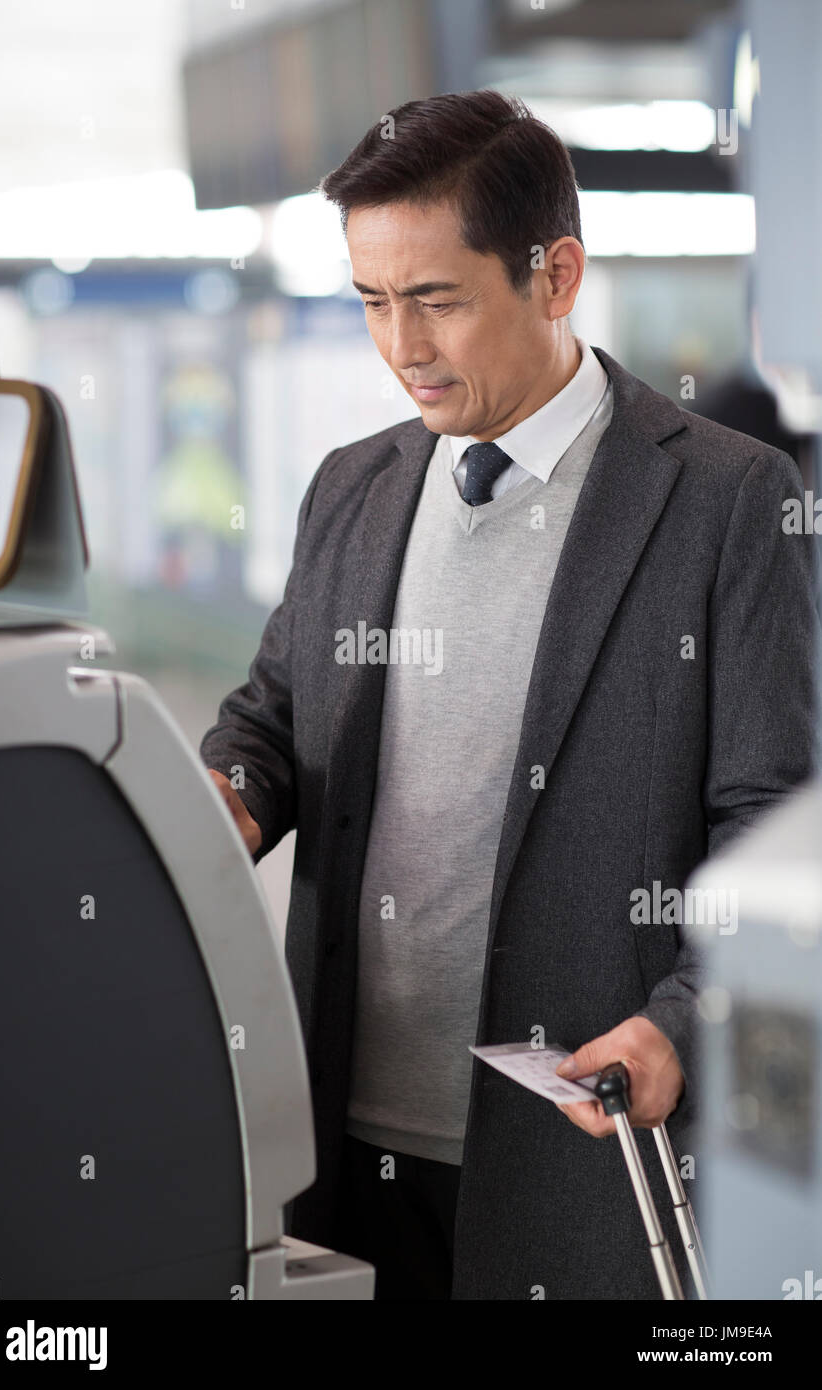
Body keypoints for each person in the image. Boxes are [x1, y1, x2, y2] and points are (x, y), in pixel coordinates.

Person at [200, 90, 816, 1300]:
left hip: (577, 1153)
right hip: (340, 1139)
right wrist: (220, 801)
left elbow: (775, 820)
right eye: (372, 300)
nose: (401, 346)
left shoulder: (721, 501)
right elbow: (270, 718)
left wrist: (682, 1021)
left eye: (434, 298)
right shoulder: (353, 487)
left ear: (553, 274)